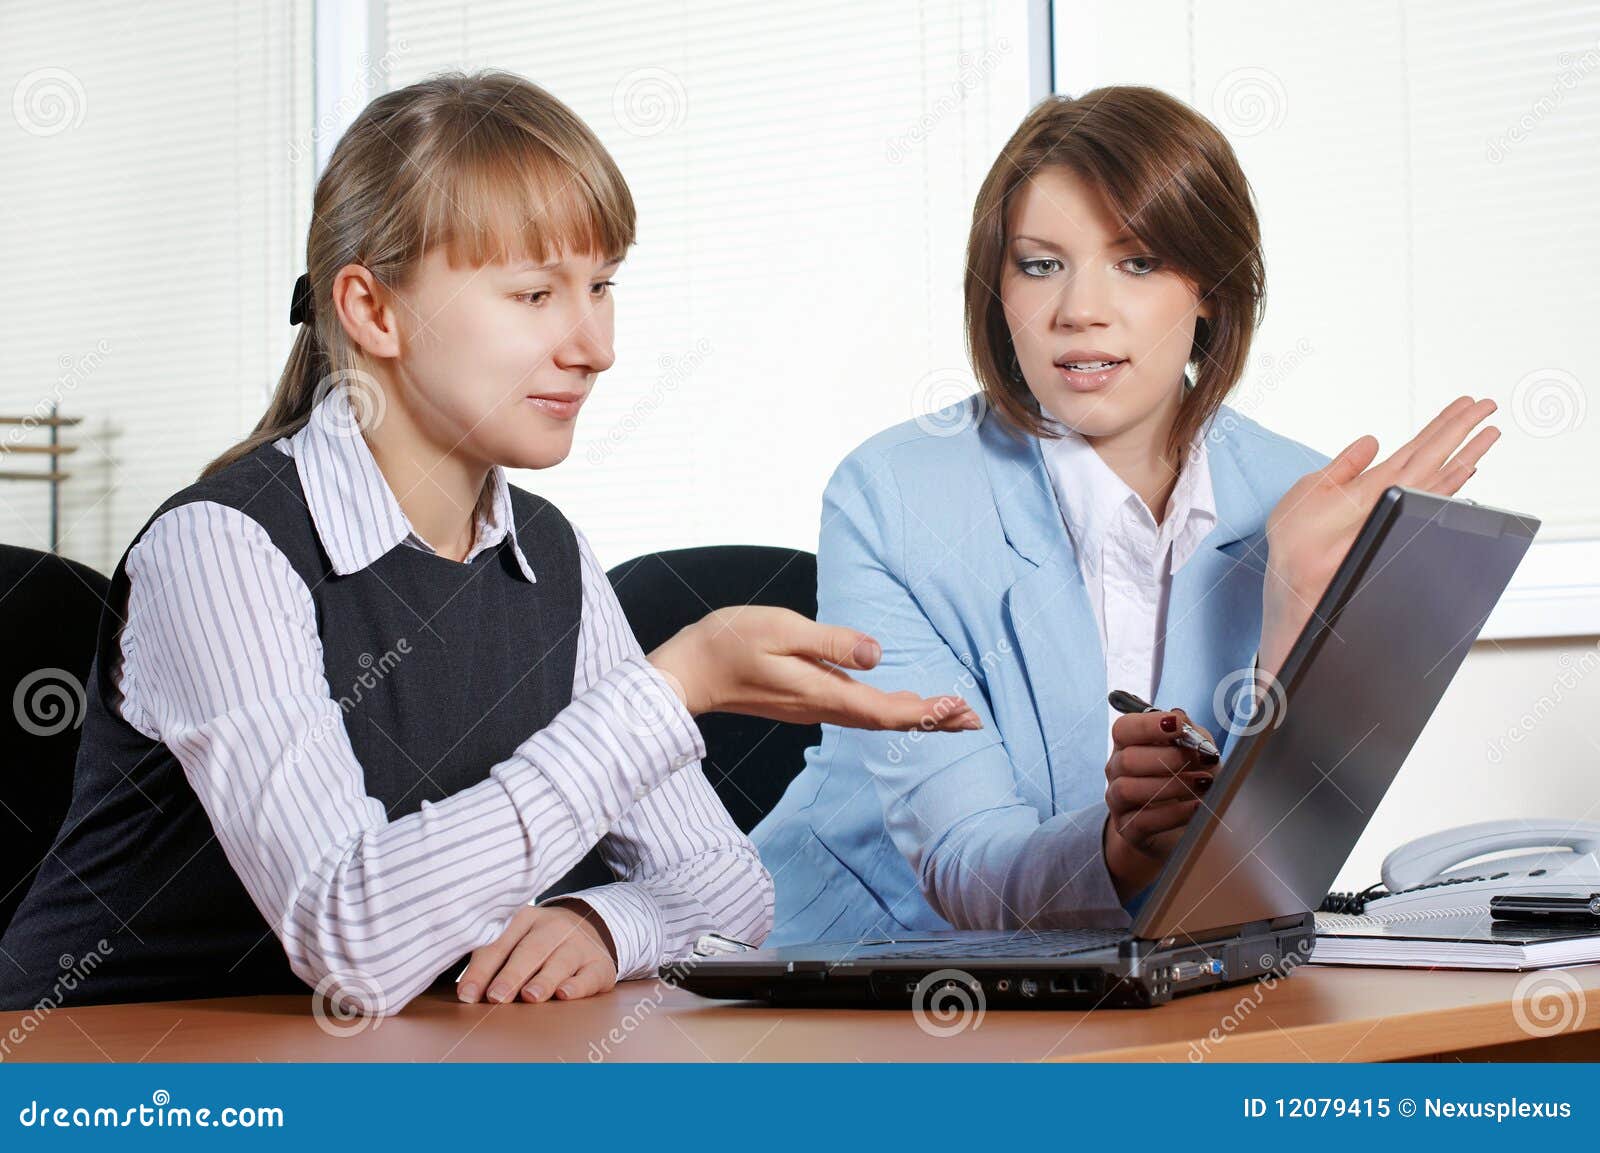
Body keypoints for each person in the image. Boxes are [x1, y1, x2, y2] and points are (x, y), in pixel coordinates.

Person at [0, 71, 976, 1015]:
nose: (594, 344)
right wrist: (670, 690)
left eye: (601, 287)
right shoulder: (221, 549)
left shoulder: (548, 553)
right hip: (120, 1085)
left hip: (393, 1074)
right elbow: (355, 937)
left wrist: (609, 922)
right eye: (534, 295)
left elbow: (729, 888)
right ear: (372, 309)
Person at [751, 86, 1499, 945]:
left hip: (1154, 980)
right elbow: (963, 865)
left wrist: (1299, 628)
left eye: (1136, 262)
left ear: (1213, 288)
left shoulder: (1302, 501)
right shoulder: (894, 497)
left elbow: (1276, 869)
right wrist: (1122, 849)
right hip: (865, 973)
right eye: (1040, 264)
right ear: (998, 290)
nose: (1079, 309)